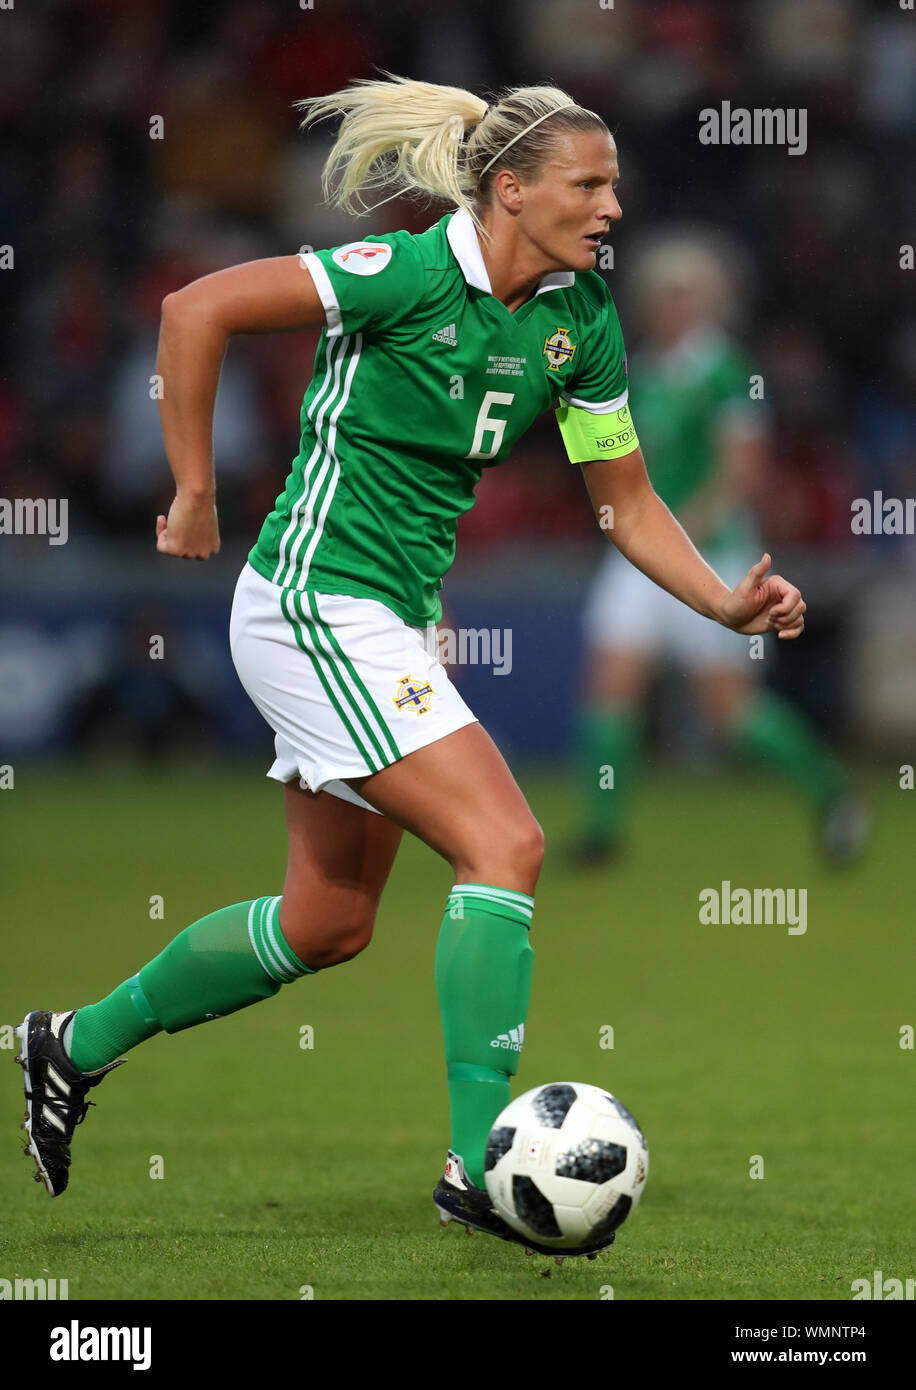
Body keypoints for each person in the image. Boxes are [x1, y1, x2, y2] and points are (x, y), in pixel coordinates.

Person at [15, 76, 807, 1259]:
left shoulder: (579, 318)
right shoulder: (406, 274)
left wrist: (724, 598)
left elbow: (628, 506)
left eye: (614, 185)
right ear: (511, 190)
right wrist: (191, 486)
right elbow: (193, 309)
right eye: (588, 185)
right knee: (509, 843)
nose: (611, 207)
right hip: (311, 603)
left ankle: (65, 1046)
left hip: (386, 617)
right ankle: (476, 1162)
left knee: (327, 920)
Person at [572, 234, 869, 866]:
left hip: (712, 555)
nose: (669, 304)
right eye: (661, 292)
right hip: (643, 553)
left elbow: (744, 470)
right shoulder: (644, 369)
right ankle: (602, 834)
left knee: (729, 713)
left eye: (683, 292)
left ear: (709, 300)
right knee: (609, 685)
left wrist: (680, 529)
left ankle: (832, 793)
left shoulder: (728, 372)